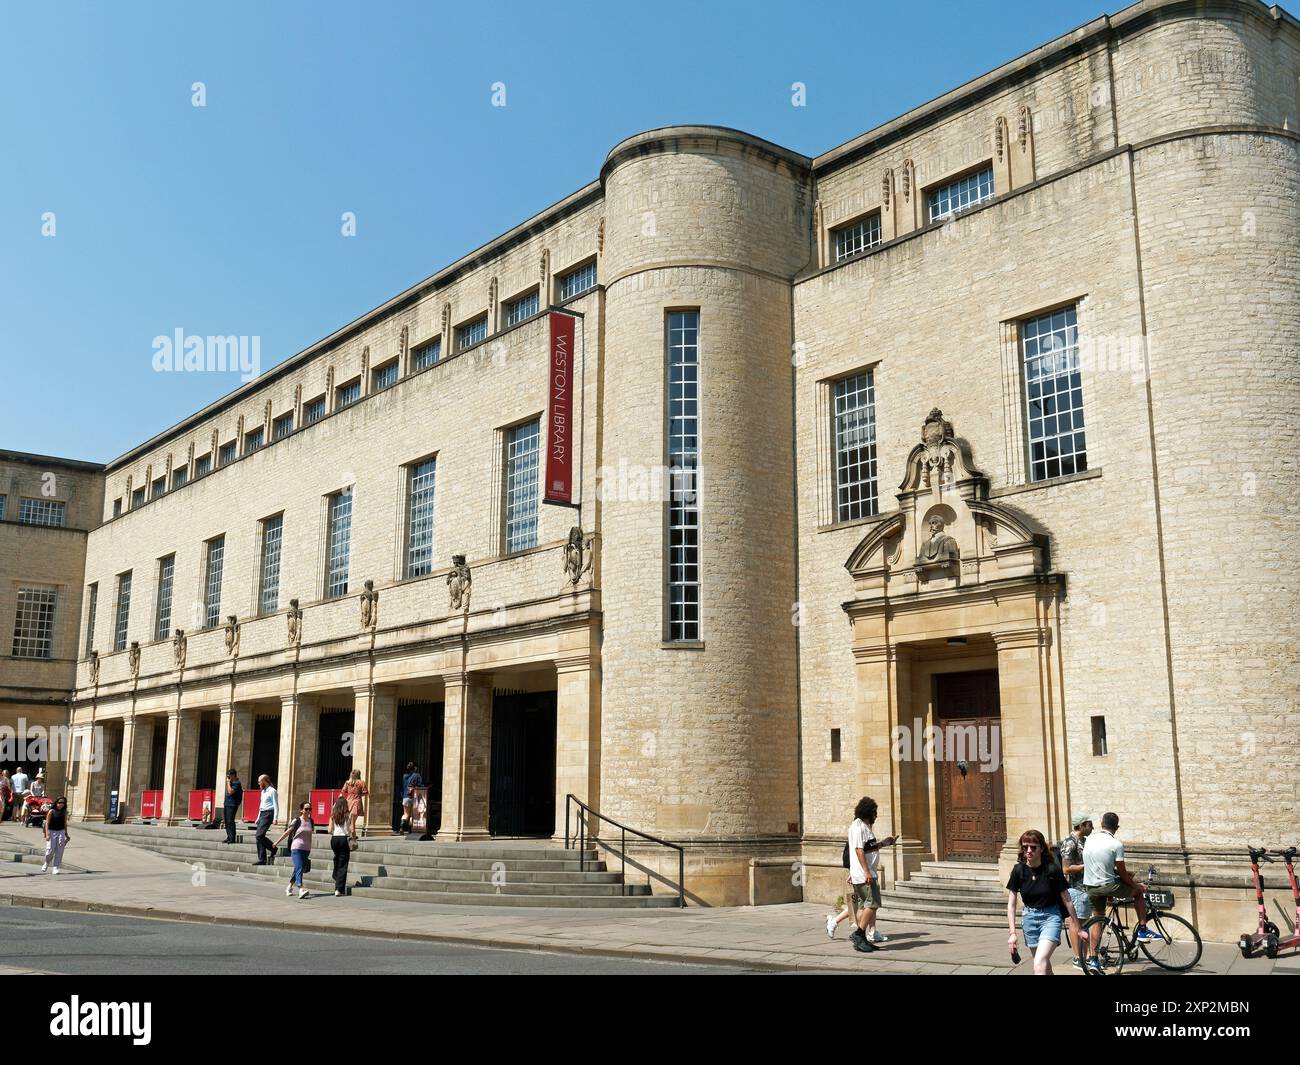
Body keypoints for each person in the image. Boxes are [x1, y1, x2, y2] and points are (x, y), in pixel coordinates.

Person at [1083, 811, 1157, 964]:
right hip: (1108, 886)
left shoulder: (1090, 839)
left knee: (1097, 920)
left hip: (1090, 887)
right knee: (1137, 892)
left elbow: (1101, 864)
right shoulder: (1116, 844)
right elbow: (1122, 872)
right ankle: (1143, 930)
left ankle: (1093, 959)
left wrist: (1119, 873)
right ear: (1116, 827)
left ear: (1102, 824)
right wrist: (1136, 885)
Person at [1006, 828, 1082, 975]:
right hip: (1029, 919)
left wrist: (1078, 927)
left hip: (1051, 918)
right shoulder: (1018, 871)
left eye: (1033, 847)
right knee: (1043, 966)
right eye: (1025, 847)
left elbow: (1067, 899)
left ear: (1041, 848)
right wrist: (1012, 933)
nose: (1028, 851)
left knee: (1039, 963)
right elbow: (1011, 904)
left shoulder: (1052, 870)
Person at [847, 796, 896, 952]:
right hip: (864, 875)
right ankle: (859, 934)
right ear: (867, 811)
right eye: (874, 812)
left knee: (864, 905)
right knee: (873, 903)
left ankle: (862, 939)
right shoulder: (857, 827)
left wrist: (884, 843)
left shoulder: (864, 827)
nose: (876, 815)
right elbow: (858, 850)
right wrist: (866, 871)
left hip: (864, 873)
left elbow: (867, 848)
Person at [1059, 814, 1093, 967]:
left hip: (1084, 887)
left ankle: (1085, 956)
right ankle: (1078, 957)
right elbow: (1066, 868)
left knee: (1083, 922)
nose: (1092, 827)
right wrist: (1088, 865)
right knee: (1076, 922)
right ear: (1081, 825)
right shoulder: (1069, 843)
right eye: (1089, 824)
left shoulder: (1083, 841)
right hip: (1075, 888)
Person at [272, 802, 314, 899]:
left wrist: (310, 847)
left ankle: (289, 887)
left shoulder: (311, 821)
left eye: (310, 809)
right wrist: (276, 842)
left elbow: (310, 835)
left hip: (306, 849)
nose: (308, 811)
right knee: (299, 868)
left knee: (298, 869)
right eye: (306, 809)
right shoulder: (297, 820)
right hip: (296, 848)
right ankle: (301, 888)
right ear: (301, 810)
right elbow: (287, 832)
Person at [253, 774, 279, 865]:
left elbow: (276, 805)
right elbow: (261, 805)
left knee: (259, 835)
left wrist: (275, 818)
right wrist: (258, 817)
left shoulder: (272, 791)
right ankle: (262, 859)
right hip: (262, 814)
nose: (258, 783)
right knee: (259, 837)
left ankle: (273, 848)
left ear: (264, 781)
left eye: (259, 781)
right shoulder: (263, 791)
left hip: (269, 814)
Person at [41, 796, 71, 875]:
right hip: (52, 831)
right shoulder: (51, 811)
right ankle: (46, 863)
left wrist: (66, 834)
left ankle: (56, 867)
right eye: (59, 803)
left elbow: (65, 823)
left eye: (63, 803)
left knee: (59, 850)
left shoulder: (64, 812)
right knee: (50, 850)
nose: (61, 804)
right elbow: (47, 823)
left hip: (61, 831)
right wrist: (47, 834)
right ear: (56, 803)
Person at [328, 794, 351, 897]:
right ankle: (339, 889)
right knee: (343, 863)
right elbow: (348, 830)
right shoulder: (346, 815)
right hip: (343, 839)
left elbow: (329, 830)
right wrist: (352, 836)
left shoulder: (333, 815)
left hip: (334, 839)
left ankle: (335, 874)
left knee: (337, 859)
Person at [341, 769, 368, 841]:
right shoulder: (361, 782)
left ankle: (350, 834)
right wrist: (359, 795)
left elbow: (343, 791)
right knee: (353, 821)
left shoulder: (347, 782)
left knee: (349, 820)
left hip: (349, 801)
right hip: (356, 802)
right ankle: (353, 836)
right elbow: (366, 792)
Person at [399, 762, 423, 834]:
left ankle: (401, 827)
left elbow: (401, 787)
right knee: (413, 814)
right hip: (413, 797)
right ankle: (410, 830)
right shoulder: (417, 776)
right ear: (415, 768)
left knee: (406, 814)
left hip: (405, 797)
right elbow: (420, 785)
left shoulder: (404, 776)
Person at [222, 768, 243, 844]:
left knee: (230, 821)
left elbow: (230, 792)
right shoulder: (231, 783)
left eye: (229, 776)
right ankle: (229, 837)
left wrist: (228, 783)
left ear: (233, 775)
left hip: (232, 804)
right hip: (227, 803)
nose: (228, 778)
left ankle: (232, 838)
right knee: (227, 821)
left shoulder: (237, 783)